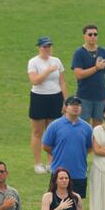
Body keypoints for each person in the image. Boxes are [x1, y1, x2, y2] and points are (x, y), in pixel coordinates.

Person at [26, 38, 65, 174]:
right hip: (39, 97)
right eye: (44, 46)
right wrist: (48, 71)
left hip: (55, 97)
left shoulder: (57, 61)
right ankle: (38, 163)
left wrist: (65, 100)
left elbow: (62, 82)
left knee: (52, 130)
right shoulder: (33, 62)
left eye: (49, 46)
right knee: (38, 131)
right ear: (39, 48)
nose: (47, 49)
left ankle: (51, 162)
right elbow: (35, 81)